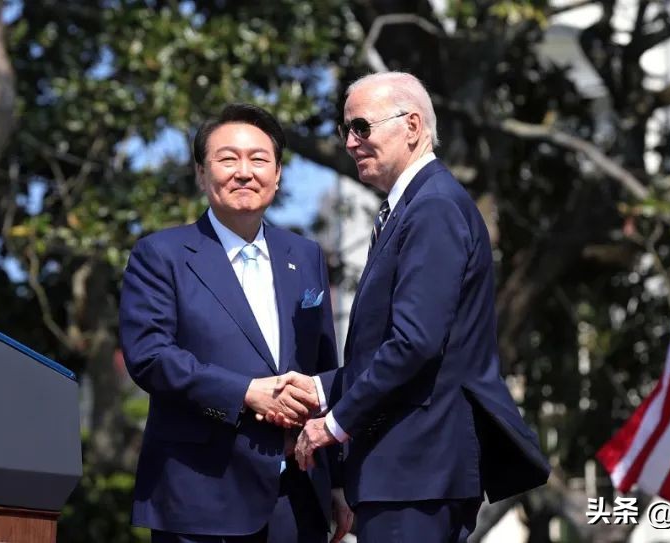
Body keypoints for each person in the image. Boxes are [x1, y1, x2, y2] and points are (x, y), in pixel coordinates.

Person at [292, 72, 552, 542]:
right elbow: (399, 346)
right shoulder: (410, 207)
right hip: (405, 472)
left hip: (416, 469)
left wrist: (332, 424)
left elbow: (415, 343)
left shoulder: (432, 206)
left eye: (362, 127)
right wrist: (318, 387)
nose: (350, 142)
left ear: (412, 126)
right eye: (345, 130)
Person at [119, 103, 352, 543]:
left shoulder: (304, 256)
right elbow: (150, 357)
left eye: (259, 159)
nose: (244, 171)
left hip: (298, 495)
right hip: (200, 496)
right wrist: (245, 393)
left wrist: (338, 480)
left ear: (278, 174)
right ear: (202, 175)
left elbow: (325, 367)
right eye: (228, 159)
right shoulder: (161, 255)